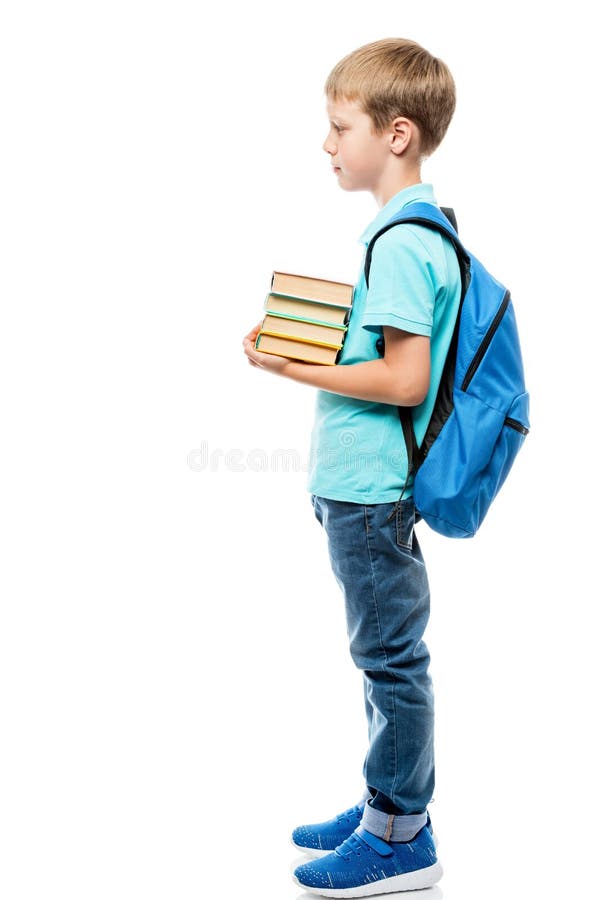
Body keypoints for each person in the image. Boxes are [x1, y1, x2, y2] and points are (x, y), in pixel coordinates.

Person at [243, 37, 460, 897]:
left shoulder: (402, 242)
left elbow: (404, 379)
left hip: (371, 492)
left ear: (396, 134)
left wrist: (291, 368)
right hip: (357, 489)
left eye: (340, 128)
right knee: (380, 654)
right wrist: (304, 337)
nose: (328, 145)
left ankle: (402, 836)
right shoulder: (400, 232)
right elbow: (383, 351)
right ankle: (384, 803)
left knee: (389, 661)